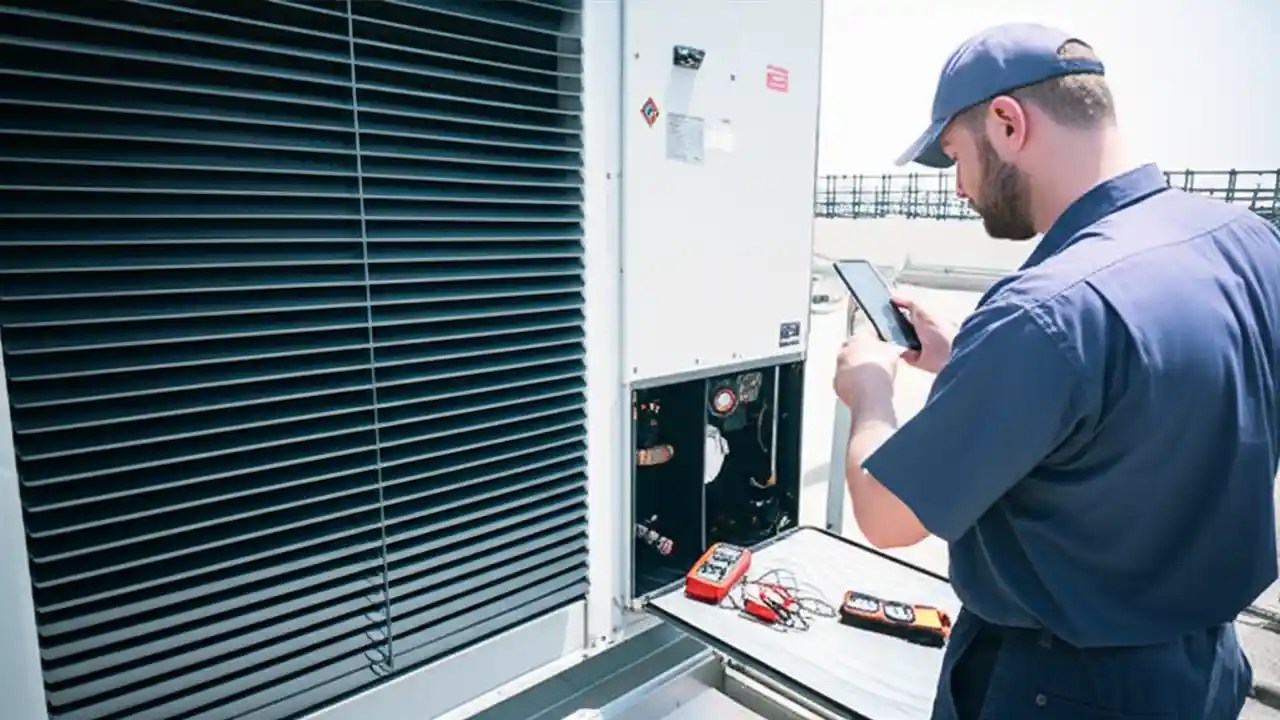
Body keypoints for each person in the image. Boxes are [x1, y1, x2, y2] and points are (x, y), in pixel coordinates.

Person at [831, 22, 1280, 720]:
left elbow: (887, 518)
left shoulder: (1046, 311)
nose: (958, 189)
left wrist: (871, 393)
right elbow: (1151, 395)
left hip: (1059, 688)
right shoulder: (1244, 239)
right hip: (1204, 672)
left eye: (955, 157)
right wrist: (967, 361)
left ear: (1007, 125)